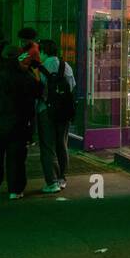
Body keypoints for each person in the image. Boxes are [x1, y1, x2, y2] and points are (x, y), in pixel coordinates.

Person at [0, 45, 38, 199]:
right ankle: (15, 189)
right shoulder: (26, 77)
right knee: (17, 159)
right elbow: (35, 95)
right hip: (19, 125)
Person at [37, 38, 75, 194]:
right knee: (62, 143)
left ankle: (51, 181)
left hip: (46, 110)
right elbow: (72, 87)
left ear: (44, 51)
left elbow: (37, 91)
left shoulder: (41, 68)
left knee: (48, 146)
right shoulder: (66, 67)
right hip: (64, 111)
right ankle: (61, 178)